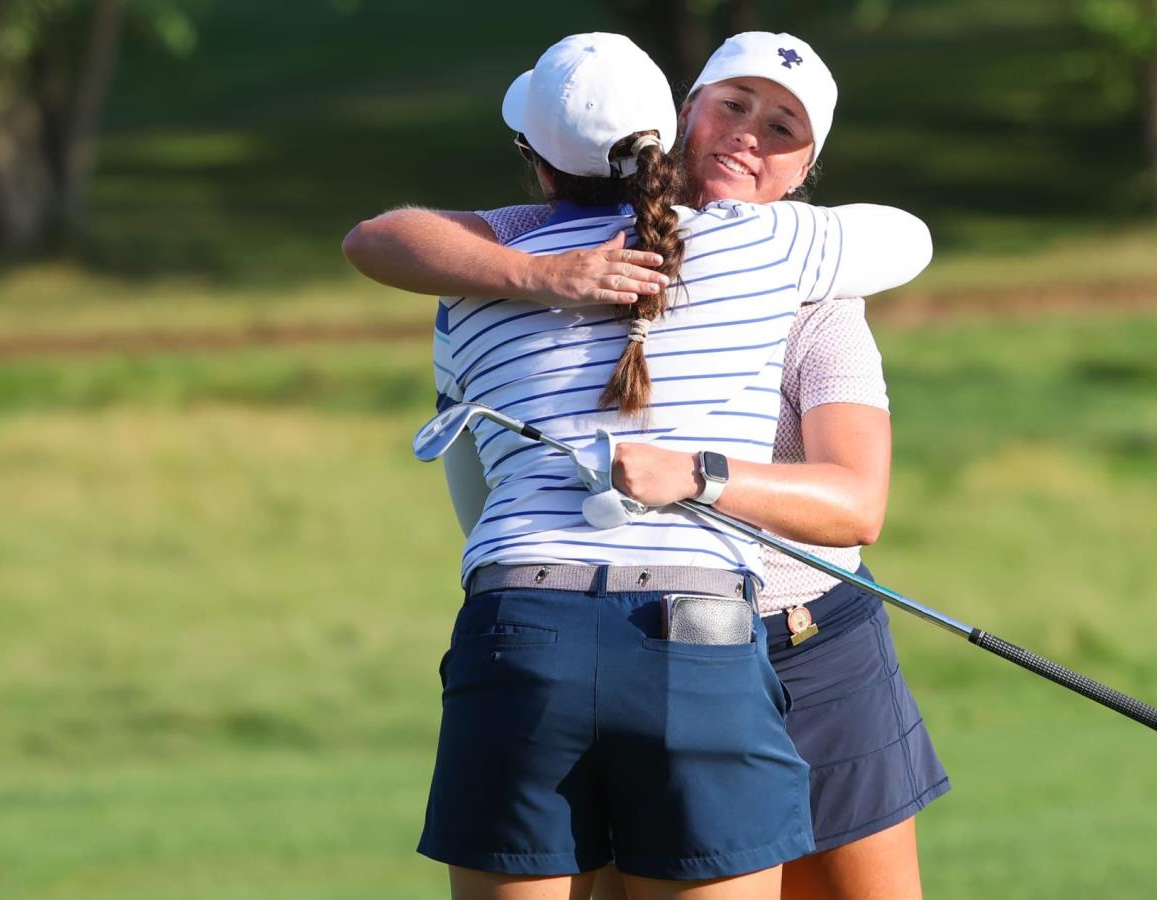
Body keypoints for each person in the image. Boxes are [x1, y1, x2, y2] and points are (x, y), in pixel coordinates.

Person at [346, 31, 949, 900]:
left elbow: (857, 502)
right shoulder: (506, 256)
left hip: (807, 644)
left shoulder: (806, 267)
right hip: (692, 636)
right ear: (679, 114)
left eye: (783, 128)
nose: (749, 135)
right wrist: (542, 273)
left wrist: (698, 476)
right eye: (733, 107)